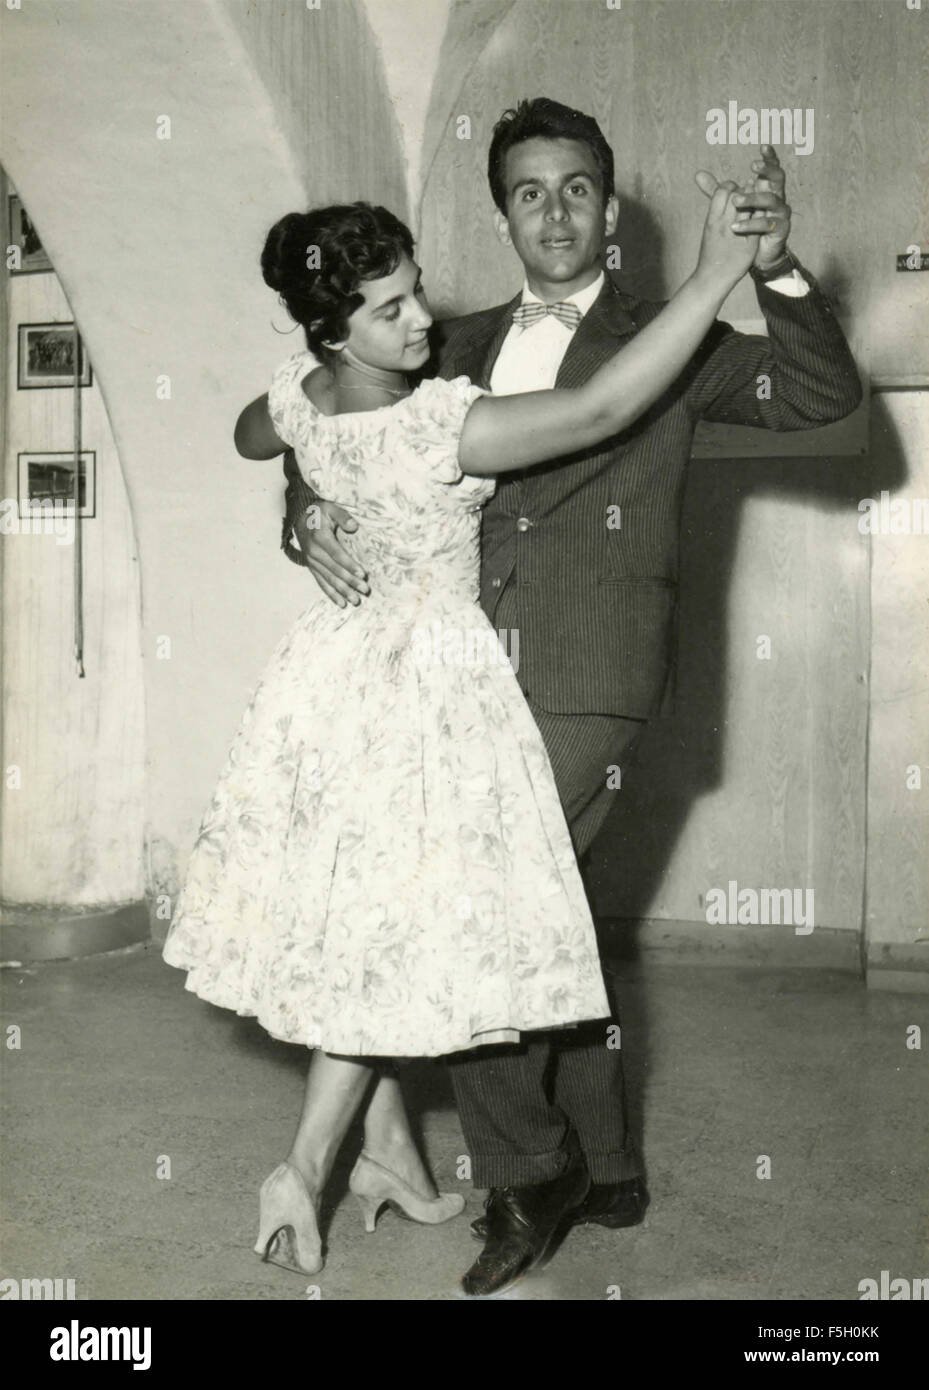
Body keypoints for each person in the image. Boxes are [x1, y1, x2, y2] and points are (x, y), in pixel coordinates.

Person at [281, 99, 862, 1297]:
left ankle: (524, 1167)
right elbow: (321, 424)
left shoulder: (675, 336)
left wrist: (777, 269)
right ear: (503, 214)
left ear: (611, 208)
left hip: (590, 668)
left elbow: (817, 399)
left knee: (472, 901)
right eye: (529, 192)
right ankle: (603, 1163)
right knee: (559, 918)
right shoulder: (436, 341)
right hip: (451, 675)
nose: (554, 211)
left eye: (577, 189)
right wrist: (303, 514)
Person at [163, 173, 759, 1291]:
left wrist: (307, 484)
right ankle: (302, 1167)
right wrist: (713, 274)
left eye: (416, 291)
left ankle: (387, 1152)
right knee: (395, 932)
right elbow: (596, 409)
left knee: (349, 917)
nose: (422, 320)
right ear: (332, 326)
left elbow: (257, 429)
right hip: (429, 692)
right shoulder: (441, 424)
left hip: (329, 681)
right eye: (389, 311)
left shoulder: (300, 391)